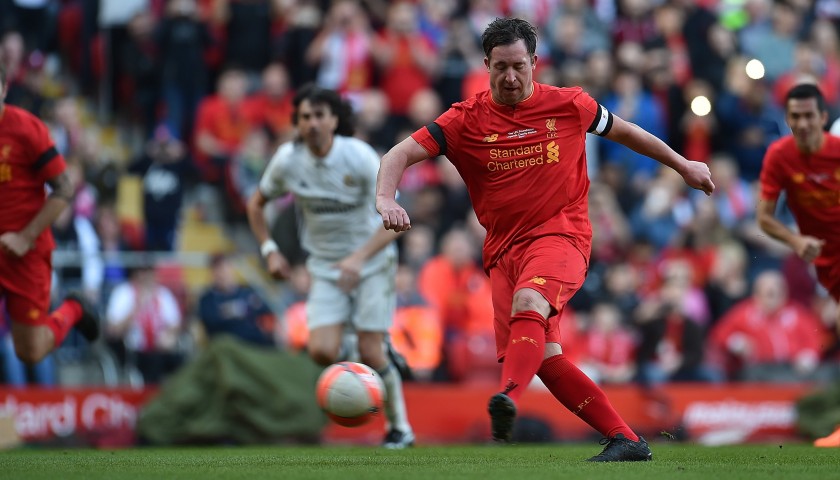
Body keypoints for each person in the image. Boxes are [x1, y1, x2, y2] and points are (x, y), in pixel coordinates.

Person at [375, 17, 714, 462]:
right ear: (486, 65)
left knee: (529, 307)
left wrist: (682, 164)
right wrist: (385, 198)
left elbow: (627, 132)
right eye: (501, 68)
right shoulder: (464, 120)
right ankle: (627, 440)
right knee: (547, 357)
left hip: (562, 236)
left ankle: (507, 398)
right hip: (503, 251)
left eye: (519, 66)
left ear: (535, 62)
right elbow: (399, 153)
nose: (511, 77)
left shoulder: (571, 104)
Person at [246, 84, 414, 449]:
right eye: (305, 117)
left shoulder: (360, 157)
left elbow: (398, 221)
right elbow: (256, 204)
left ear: (335, 120)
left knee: (371, 352)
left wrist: (358, 258)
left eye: (320, 115)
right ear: (297, 122)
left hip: (371, 262)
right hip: (323, 265)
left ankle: (399, 428)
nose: (312, 123)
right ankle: (369, 346)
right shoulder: (287, 160)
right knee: (321, 350)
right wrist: (270, 249)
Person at [757, 83, 840, 447]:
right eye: (796, 116)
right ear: (787, 119)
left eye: (809, 116)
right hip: (824, 259)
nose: (803, 123)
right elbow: (764, 218)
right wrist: (794, 241)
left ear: (823, 118)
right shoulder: (780, 155)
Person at [0, 63, 99, 366]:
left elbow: (64, 188)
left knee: (29, 352)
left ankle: (74, 309)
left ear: (4, 89)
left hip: (24, 253)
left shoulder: (26, 129)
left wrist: (25, 237)